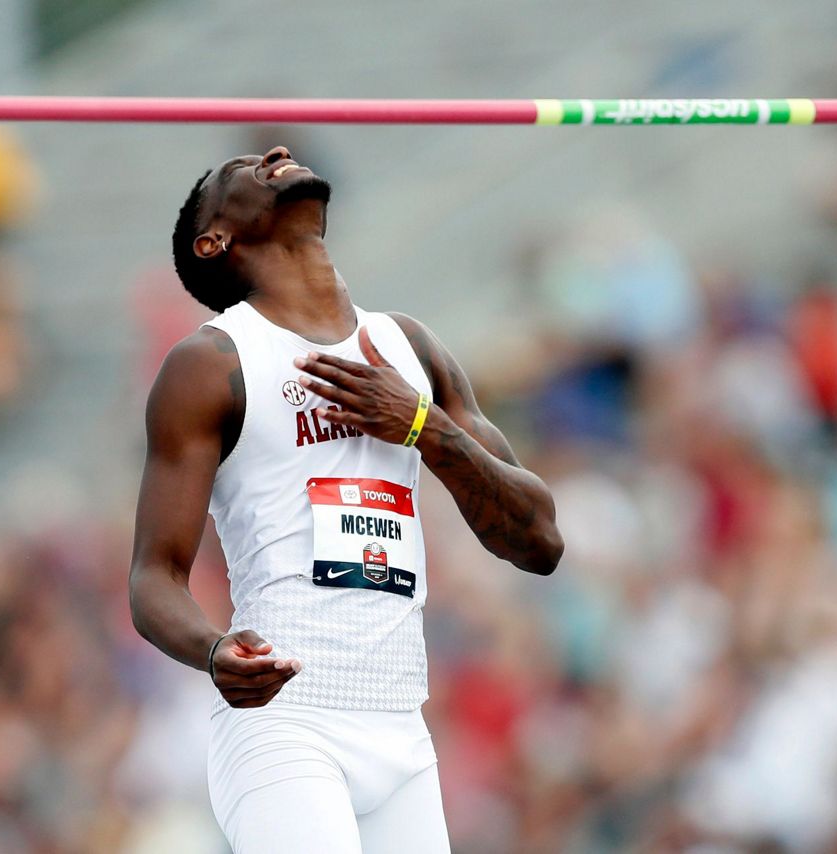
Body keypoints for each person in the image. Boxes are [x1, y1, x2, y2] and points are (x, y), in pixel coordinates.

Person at [129, 146, 563, 853]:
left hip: (401, 728)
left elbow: (539, 541)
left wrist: (421, 425)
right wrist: (213, 651)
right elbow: (153, 577)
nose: (276, 153)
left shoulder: (409, 347)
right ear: (215, 239)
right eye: (241, 167)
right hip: (287, 721)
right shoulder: (213, 364)